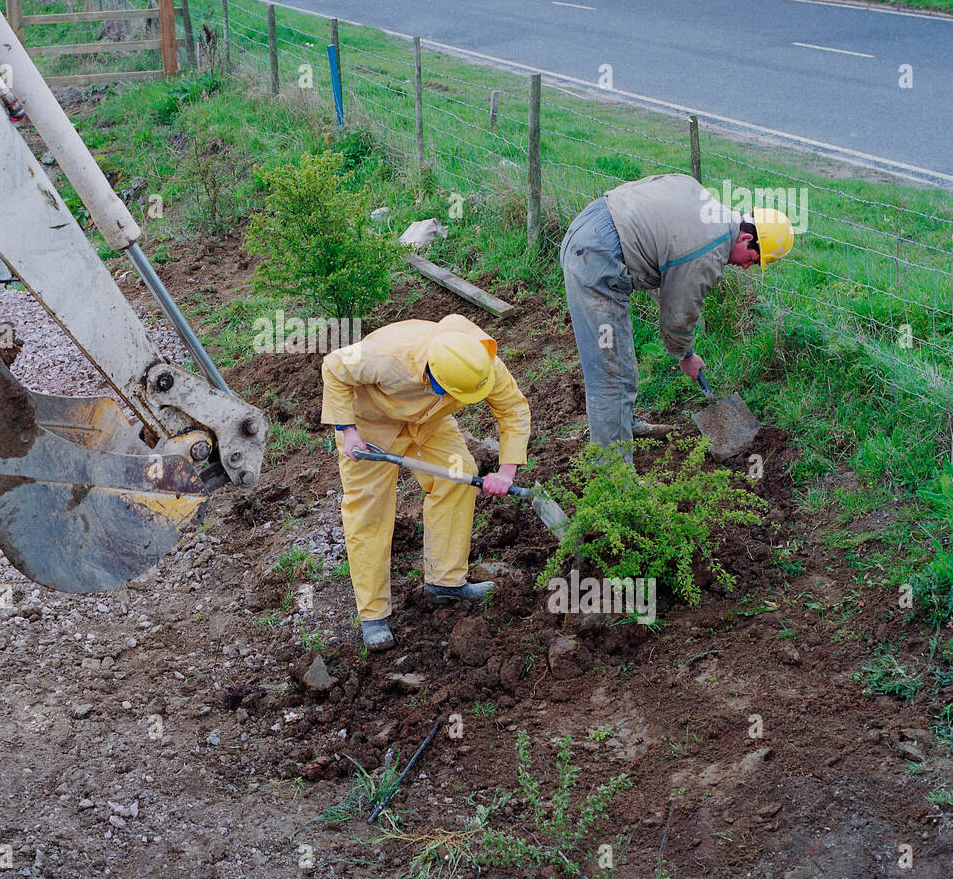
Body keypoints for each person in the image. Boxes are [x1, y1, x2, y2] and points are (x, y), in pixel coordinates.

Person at [321, 313, 532, 650]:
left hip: (429, 422)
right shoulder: (387, 355)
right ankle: (373, 614)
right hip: (371, 424)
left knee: (459, 476)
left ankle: (445, 582)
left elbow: (513, 411)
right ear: (431, 373)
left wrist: (506, 471)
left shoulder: (482, 366)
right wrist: (347, 431)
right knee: (368, 513)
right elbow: (334, 366)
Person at [560, 173, 794, 462]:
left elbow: (669, 276)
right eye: (753, 259)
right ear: (747, 238)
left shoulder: (704, 204)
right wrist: (685, 355)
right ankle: (613, 475)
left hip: (593, 225)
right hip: (596, 258)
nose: (746, 267)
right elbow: (678, 314)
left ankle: (623, 428)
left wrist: (685, 349)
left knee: (620, 360)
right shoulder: (709, 251)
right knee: (611, 374)